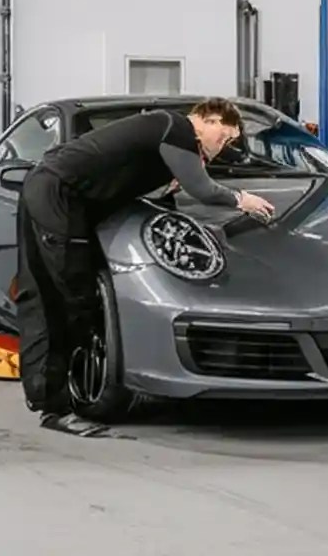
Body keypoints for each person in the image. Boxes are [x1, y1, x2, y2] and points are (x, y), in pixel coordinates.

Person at [15, 98, 275, 423]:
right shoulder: (175, 126)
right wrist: (241, 199)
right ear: (205, 120)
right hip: (59, 195)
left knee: (45, 294)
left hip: (49, 188)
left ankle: (50, 399)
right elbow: (202, 189)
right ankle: (62, 407)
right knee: (69, 297)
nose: (222, 148)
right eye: (223, 137)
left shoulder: (163, 137)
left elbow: (125, 176)